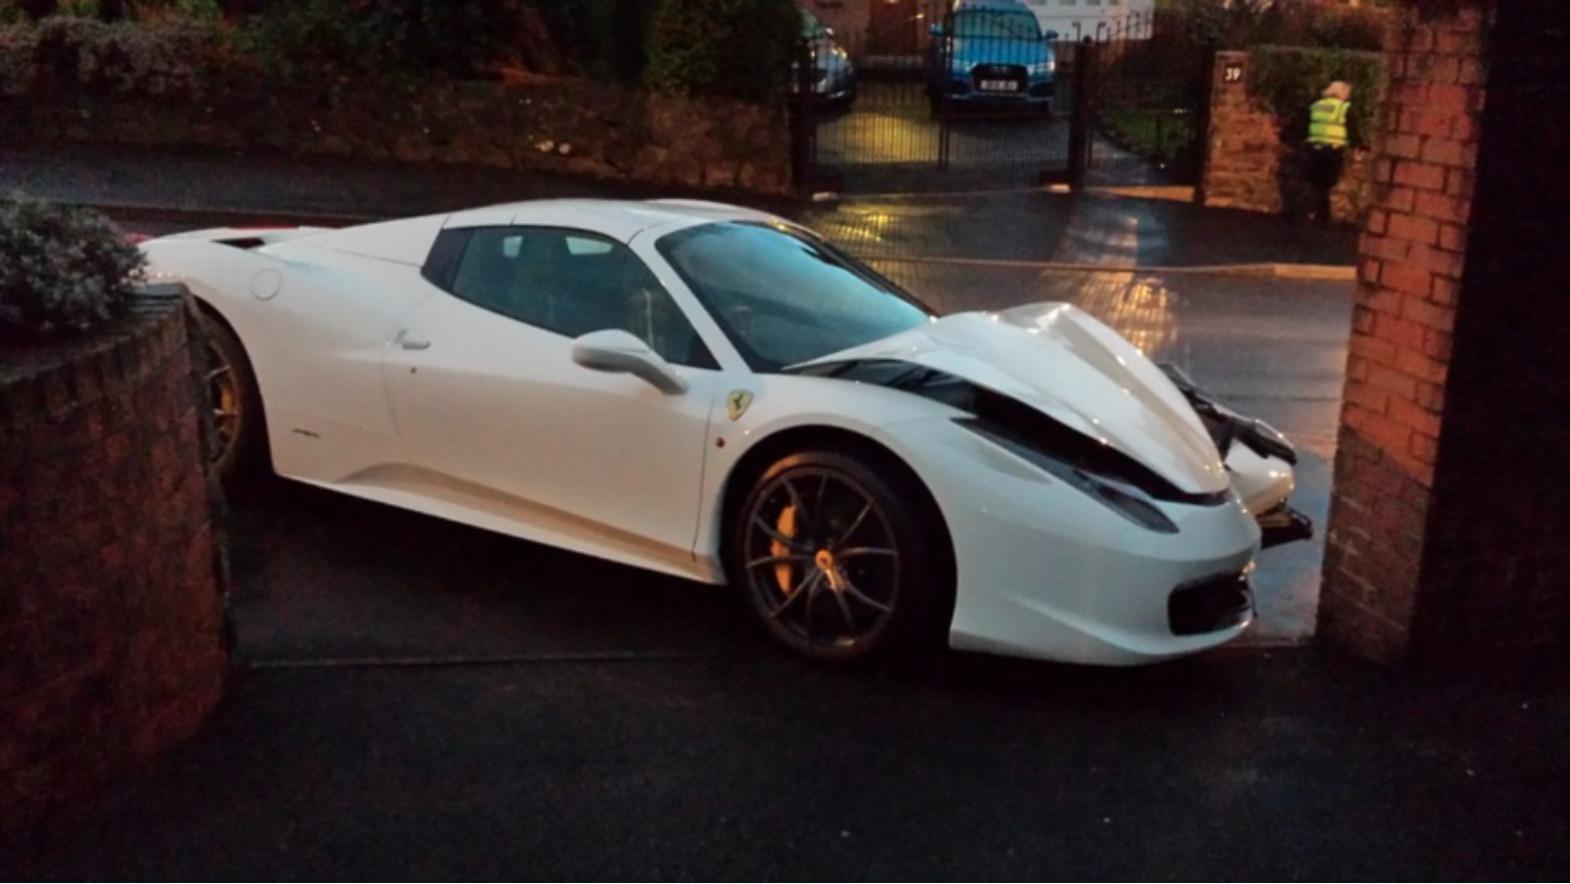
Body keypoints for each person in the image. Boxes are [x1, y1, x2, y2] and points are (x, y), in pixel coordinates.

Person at [1305, 80, 1354, 222]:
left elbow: (1306, 124)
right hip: (1333, 151)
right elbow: (1352, 128)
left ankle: (1315, 212)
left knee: (1317, 183)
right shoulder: (1343, 108)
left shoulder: (1316, 106)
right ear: (1342, 93)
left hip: (1314, 149)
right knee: (1326, 184)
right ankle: (1322, 215)